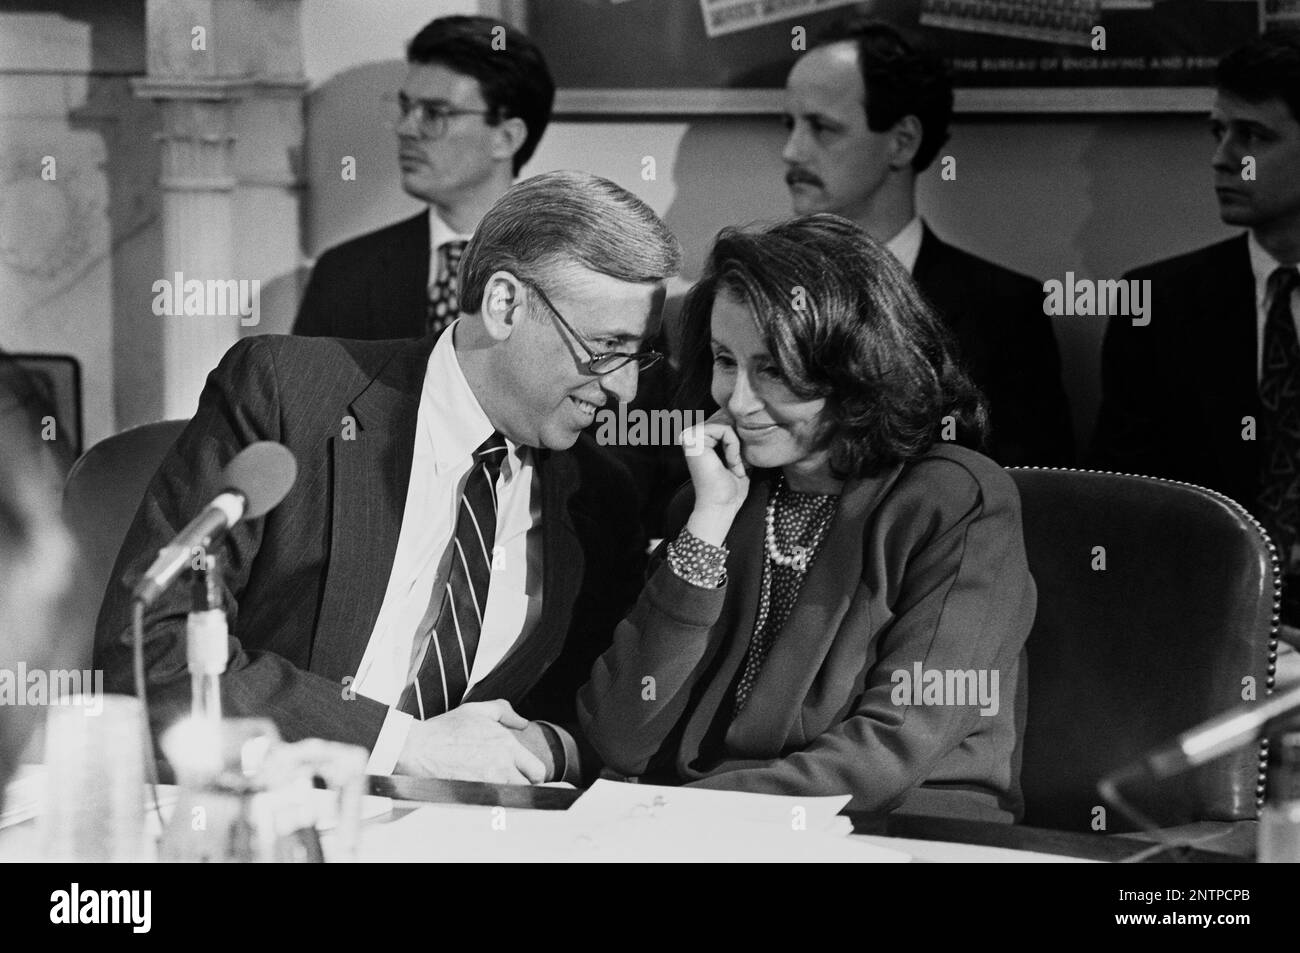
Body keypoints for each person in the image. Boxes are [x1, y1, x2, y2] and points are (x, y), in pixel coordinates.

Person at [96, 171, 681, 786]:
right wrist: (399, 744)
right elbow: (150, 652)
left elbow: (599, 709)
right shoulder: (287, 397)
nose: (625, 388)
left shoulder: (600, 495)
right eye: (604, 347)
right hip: (278, 811)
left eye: (636, 353)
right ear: (505, 305)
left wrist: (553, 747)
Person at [578, 215, 1035, 820]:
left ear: (854, 365)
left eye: (772, 369)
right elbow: (620, 736)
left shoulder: (956, 502)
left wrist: (682, 816)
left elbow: (891, 749)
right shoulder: (717, 499)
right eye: (724, 361)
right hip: (715, 832)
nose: (737, 401)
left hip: (903, 831)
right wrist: (708, 524)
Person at [781, 17, 1073, 467]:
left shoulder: (1002, 311)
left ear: (902, 142)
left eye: (822, 127)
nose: (792, 151)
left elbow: (1029, 486)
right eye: (790, 124)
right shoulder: (760, 294)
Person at [1091, 34, 1300, 642]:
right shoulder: (1158, 305)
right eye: (1218, 132)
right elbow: (1124, 511)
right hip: (1201, 632)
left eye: (1255, 137)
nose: (1223, 157)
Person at [292, 14, 554, 340]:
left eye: (434, 113)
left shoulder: (570, 269)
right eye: (405, 108)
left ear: (506, 138)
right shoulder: (344, 275)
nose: (405, 129)